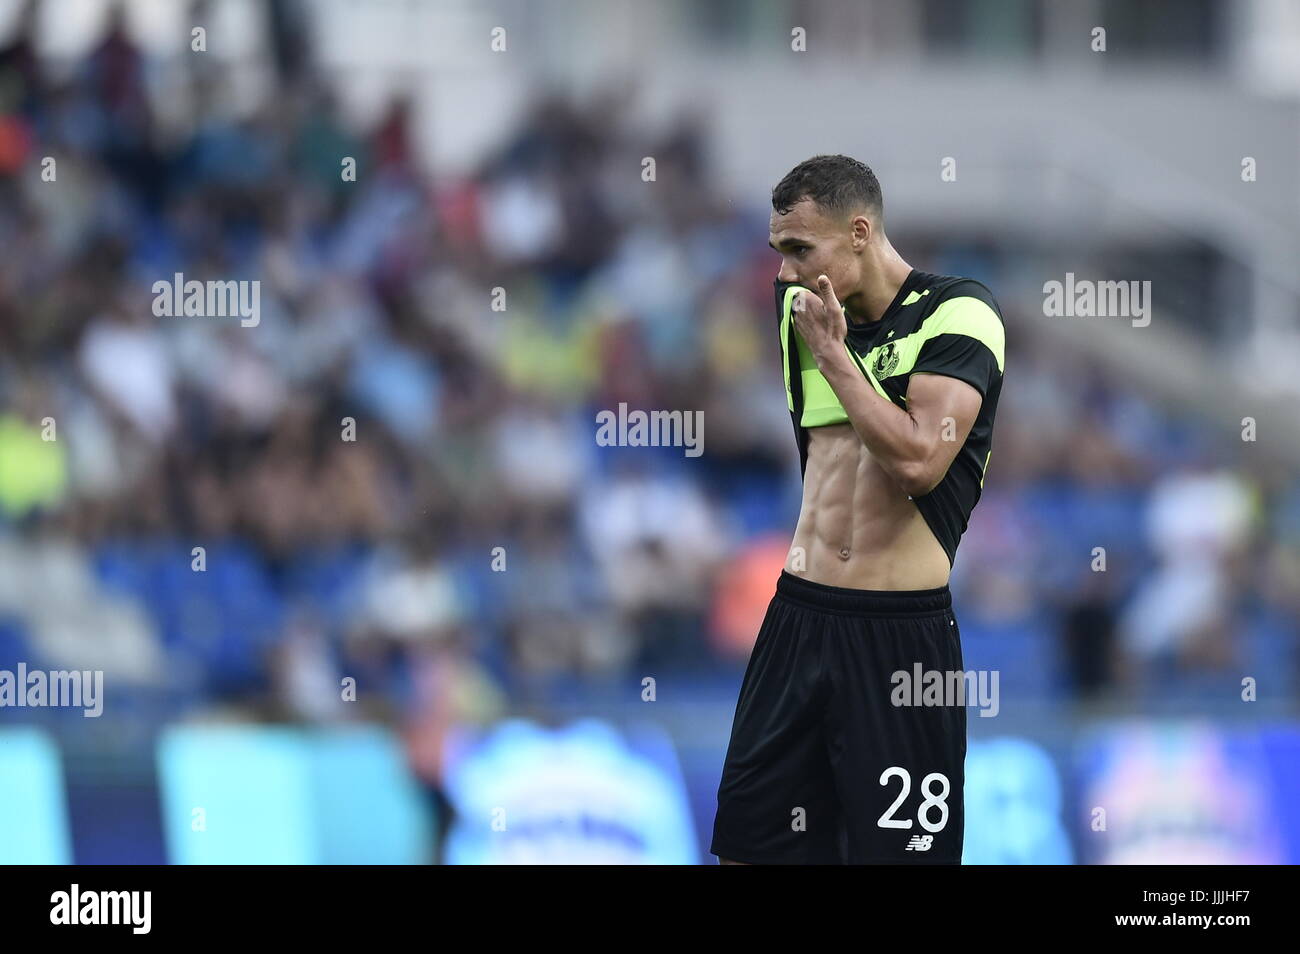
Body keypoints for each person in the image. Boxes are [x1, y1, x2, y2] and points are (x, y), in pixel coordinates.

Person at [711, 155, 1006, 864]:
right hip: (797, 621)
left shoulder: (960, 312)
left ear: (860, 233)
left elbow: (918, 463)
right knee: (752, 850)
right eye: (779, 252)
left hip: (899, 643)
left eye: (800, 250)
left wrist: (836, 356)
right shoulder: (799, 310)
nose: (786, 273)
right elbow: (821, 461)